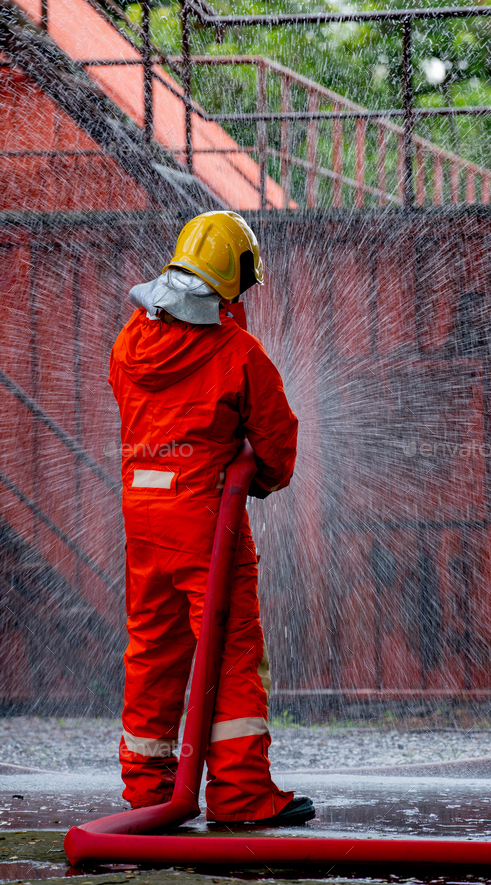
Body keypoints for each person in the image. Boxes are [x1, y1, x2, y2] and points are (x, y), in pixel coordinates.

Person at [109, 211, 314, 825]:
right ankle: (243, 796)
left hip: (142, 517)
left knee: (152, 648)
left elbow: (143, 408)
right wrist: (265, 478)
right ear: (231, 279)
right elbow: (275, 441)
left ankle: (149, 792)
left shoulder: (127, 342)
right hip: (206, 525)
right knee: (227, 652)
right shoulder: (236, 353)